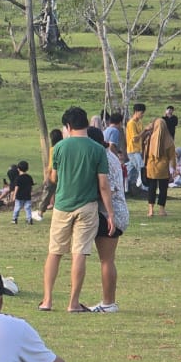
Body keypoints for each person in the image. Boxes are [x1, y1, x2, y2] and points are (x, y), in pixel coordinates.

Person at [40, 107, 116, 313]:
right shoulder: (98, 149)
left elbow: (53, 179)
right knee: (79, 253)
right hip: (87, 206)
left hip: (62, 205)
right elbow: (103, 185)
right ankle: (73, 302)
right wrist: (110, 213)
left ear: (68, 126)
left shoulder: (59, 148)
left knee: (54, 252)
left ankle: (47, 300)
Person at [86, 127, 126, 313]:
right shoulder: (109, 156)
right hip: (115, 214)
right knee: (107, 259)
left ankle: (109, 302)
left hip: (111, 215)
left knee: (106, 260)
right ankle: (108, 302)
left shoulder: (104, 158)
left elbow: (109, 189)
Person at [143, 115, 176, 217]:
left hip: (151, 167)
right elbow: (172, 157)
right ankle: (162, 210)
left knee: (151, 188)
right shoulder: (169, 140)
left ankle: (151, 210)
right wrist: (172, 169)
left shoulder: (149, 138)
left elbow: (145, 153)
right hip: (163, 168)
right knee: (163, 189)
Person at [125, 103, 147, 194]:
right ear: (136, 112)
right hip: (133, 150)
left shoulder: (139, 122)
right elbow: (135, 138)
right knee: (141, 167)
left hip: (138, 150)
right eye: (141, 113)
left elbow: (142, 135)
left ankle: (130, 186)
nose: (142, 115)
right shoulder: (131, 123)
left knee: (131, 169)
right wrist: (145, 130)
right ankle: (145, 187)